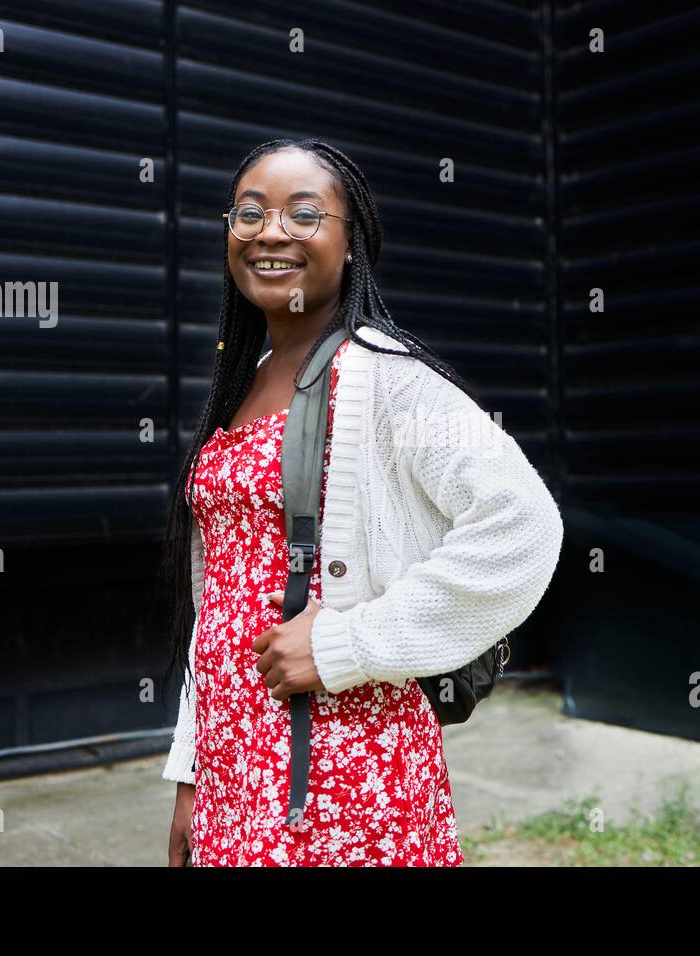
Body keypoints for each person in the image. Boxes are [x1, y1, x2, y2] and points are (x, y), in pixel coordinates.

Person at [159, 138, 563, 866]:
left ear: (351, 245)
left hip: (347, 780)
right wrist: (191, 773)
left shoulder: (386, 380)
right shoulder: (243, 383)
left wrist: (348, 643)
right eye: (249, 214)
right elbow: (218, 606)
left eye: (304, 214)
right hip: (235, 771)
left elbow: (523, 526)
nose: (271, 232)